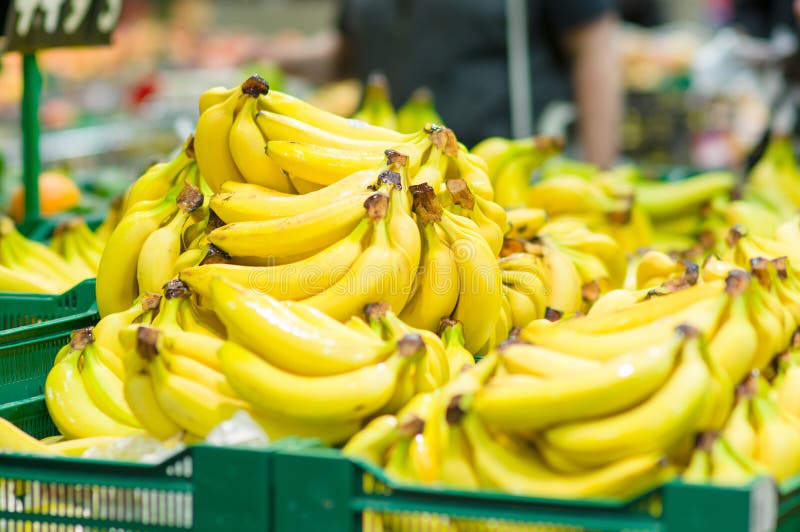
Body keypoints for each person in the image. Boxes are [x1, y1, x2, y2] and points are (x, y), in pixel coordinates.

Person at [274, 1, 621, 169]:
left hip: (501, 181)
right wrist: (271, 56)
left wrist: (599, 171)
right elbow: (348, 54)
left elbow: (594, 47)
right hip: (380, 180)